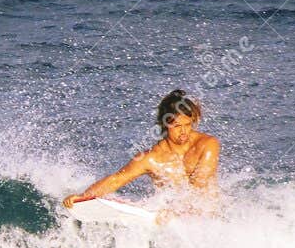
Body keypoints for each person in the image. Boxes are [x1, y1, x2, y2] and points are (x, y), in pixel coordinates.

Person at [62, 91, 220, 220]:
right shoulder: (150, 158)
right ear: (165, 124)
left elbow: (198, 187)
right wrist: (83, 197)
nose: (184, 131)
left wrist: (175, 212)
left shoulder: (207, 145)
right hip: (168, 216)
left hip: (207, 216)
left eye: (187, 124)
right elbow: (117, 179)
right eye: (177, 126)